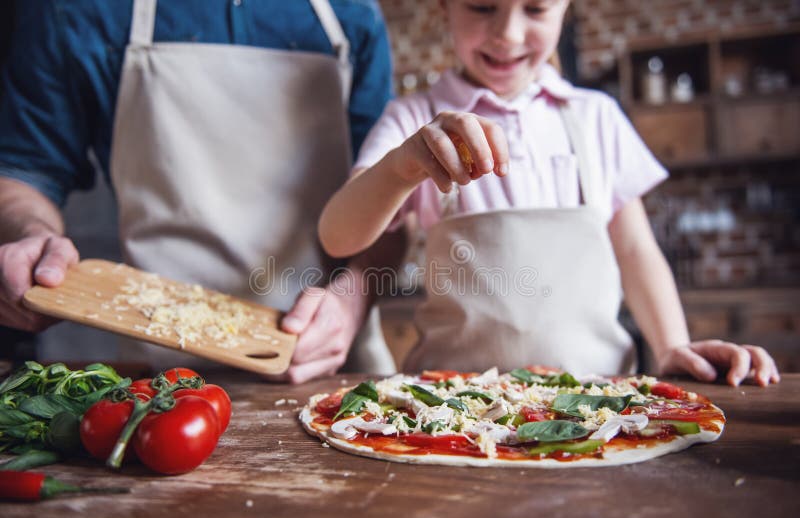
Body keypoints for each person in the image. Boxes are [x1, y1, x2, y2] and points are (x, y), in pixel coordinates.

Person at [318, 0, 780, 386]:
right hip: (455, 410)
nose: (508, 33)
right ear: (445, 7)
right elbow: (338, 237)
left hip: (598, 408)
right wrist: (404, 166)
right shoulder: (413, 119)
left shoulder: (596, 117)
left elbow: (637, 251)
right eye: (482, 6)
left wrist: (673, 348)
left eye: (536, 8)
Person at [0, 0, 396, 383]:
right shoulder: (76, 8)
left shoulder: (353, 12)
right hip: (162, 376)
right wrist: (33, 236)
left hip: (329, 367)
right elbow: (24, 173)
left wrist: (353, 298)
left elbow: (394, 207)